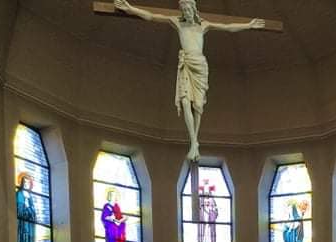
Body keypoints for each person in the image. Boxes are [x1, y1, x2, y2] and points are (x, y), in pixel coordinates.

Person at [113, 0, 265, 162]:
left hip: (199, 66)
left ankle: (195, 141)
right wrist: (130, 8)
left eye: (188, 9)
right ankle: (194, 143)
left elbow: (227, 27)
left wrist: (249, 25)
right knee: (185, 102)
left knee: (198, 106)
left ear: (194, 9)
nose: (186, 12)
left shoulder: (204, 25)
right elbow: (151, 16)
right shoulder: (177, 23)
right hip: (186, 65)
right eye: (184, 10)